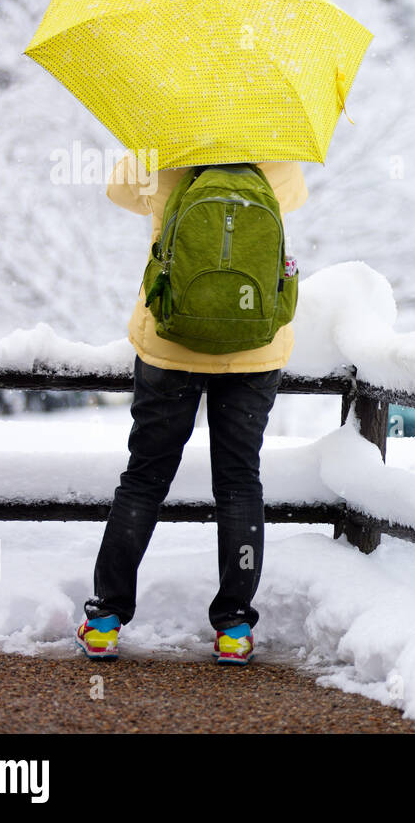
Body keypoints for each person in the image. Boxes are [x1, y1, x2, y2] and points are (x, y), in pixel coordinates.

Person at [76, 152, 307, 665]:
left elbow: (118, 191)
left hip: (170, 343)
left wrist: (151, 143)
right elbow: (292, 199)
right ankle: (233, 627)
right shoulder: (275, 149)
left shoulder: (167, 146)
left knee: (144, 477)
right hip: (254, 347)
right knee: (240, 481)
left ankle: (106, 617)